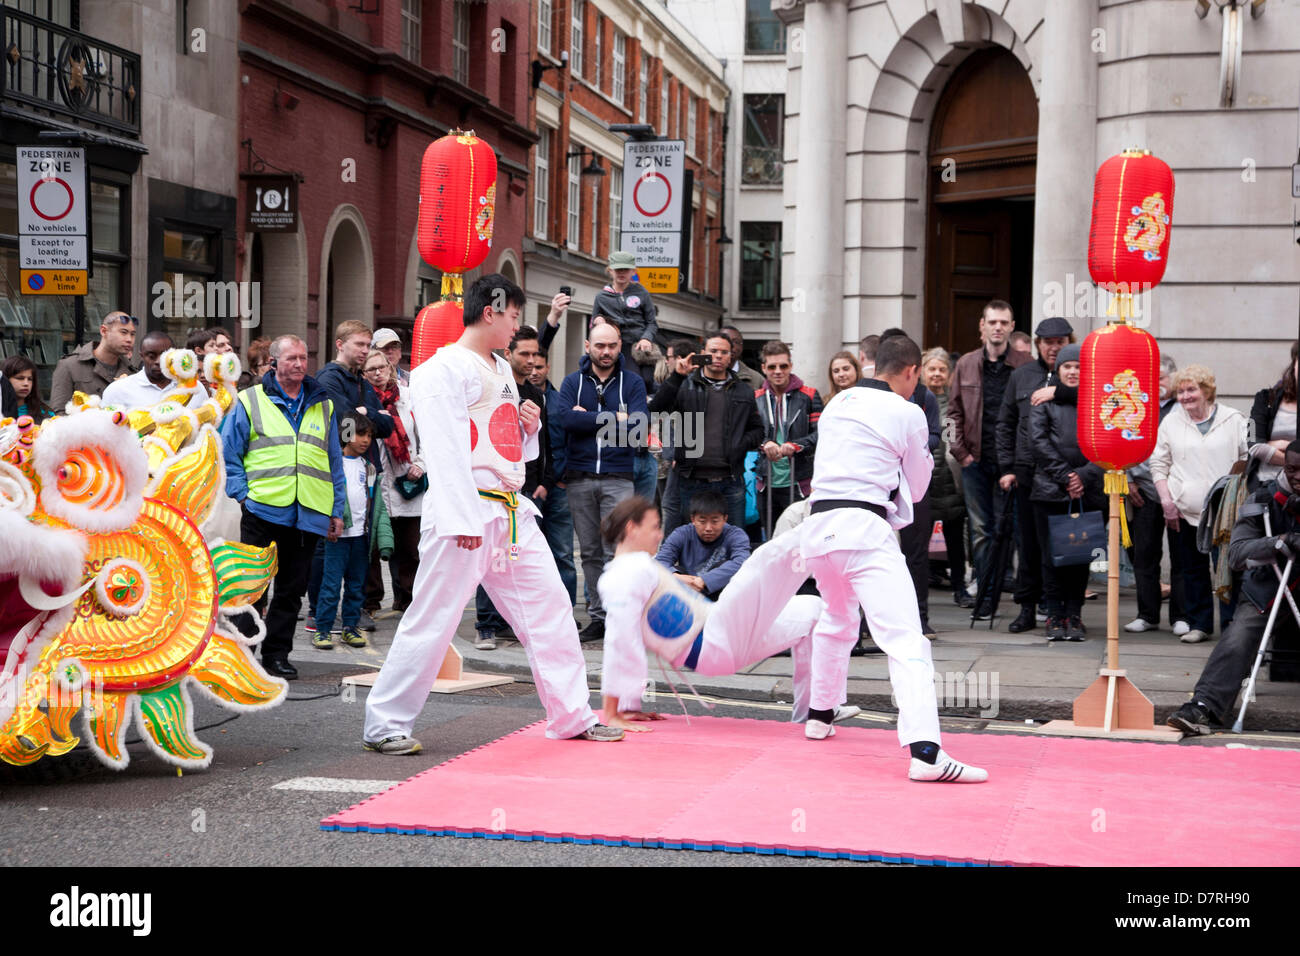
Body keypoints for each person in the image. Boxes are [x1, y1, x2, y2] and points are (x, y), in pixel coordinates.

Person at [361, 274, 624, 753]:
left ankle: (571, 714)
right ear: (490, 312)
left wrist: (529, 428)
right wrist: (462, 519)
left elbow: (506, 449)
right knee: (433, 618)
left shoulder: (500, 368)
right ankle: (385, 724)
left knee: (552, 610)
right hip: (464, 511)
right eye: (514, 316)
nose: (518, 327)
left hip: (509, 512)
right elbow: (442, 447)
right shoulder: (442, 370)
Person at [797, 333, 987, 781]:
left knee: (837, 619)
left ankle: (820, 715)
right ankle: (926, 753)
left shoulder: (839, 403)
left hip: (819, 529)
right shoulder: (909, 412)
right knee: (906, 640)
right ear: (911, 372)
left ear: (870, 365)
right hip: (864, 529)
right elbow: (919, 488)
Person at [597, 496, 859, 733]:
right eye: (654, 527)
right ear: (632, 528)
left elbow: (628, 640)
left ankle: (817, 712)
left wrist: (630, 706)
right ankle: (834, 514)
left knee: (814, 611)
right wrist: (613, 711)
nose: (659, 534)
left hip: (722, 639)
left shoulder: (636, 567)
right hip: (714, 638)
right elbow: (621, 640)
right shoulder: (625, 573)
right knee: (763, 564)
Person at [221, 334, 346, 680]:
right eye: (292, 358)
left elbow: (333, 460)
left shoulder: (323, 403)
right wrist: (242, 494)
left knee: (292, 590)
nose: (300, 364)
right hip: (262, 509)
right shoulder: (250, 400)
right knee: (251, 587)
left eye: (304, 358)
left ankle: (276, 655)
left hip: (308, 511)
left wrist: (337, 510)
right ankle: (243, 653)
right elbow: (229, 452)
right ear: (274, 362)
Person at [1167, 443, 1300, 735]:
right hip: (1270, 586)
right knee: (1239, 636)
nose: (1298, 476)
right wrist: (1280, 541)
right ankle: (1203, 708)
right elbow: (1237, 554)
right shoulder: (1263, 498)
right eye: (1292, 469)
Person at [558, 321, 649, 642]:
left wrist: (589, 418)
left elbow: (639, 426)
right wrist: (613, 418)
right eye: (599, 346)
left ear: (619, 345)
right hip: (580, 478)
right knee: (591, 553)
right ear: (588, 346)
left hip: (618, 477)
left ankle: (620, 617)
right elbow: (566, 419)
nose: (605, 352)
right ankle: (598, 617)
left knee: (619, 552)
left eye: (611, 346)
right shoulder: (572, 382)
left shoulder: (633, 383)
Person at [1151, 363, 1249, 644]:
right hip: (1184, 510)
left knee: (1227, 570)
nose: (1184, 396)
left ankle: (1232, 626)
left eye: (1191, 389)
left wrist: (1238, 496)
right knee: (1191, 570)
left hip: (1224, 514)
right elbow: (1158, 463)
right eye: (1180, 391)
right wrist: (1166, 501)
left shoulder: (1234, 419)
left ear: (1206, 391)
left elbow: (1248, 458)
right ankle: (1199, 623)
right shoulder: (1171, 420)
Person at [946, 300, 1032, 618]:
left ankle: (1026, 601)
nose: (997, 327)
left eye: (1003, 322)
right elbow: (952, 413)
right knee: (981, 531)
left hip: (1012, 464)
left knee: (1012, 530)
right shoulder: (966, 364)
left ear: (1011, 327)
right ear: (982, 326)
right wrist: (962, 454)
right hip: (976, 462)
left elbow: (1032, 415)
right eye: (992, 322)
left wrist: (1023, 459)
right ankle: (985, 596)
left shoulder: (1026, 364)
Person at [475, 325, 554, 650]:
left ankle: (515, 622)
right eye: (525, 353)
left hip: (521, 490)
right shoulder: (492, 386)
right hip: (487, 489)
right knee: (487, 558)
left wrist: (537, 483)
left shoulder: (536, 393)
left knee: (514, 558)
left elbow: (535, 442)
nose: (532, 361)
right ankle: (486, 625)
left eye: (536, 354)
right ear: (509, 354)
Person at [314, 319, 395, 629]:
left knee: (361, 546)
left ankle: (354, 611)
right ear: (340, 345)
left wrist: (365, 413)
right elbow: (345, 424)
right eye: (359, 345)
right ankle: (321, 615)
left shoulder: (360, 382)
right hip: (336, 472)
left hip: (365, 471)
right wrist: (366, 415)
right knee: (331, 552)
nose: (365, 351)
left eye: (367, 345)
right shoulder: (328, 378)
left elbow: (386, 427)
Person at [996, 316, 1074, 633]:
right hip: (1028, 471)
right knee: (1028, 545)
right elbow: (1005, 423)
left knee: (1066, 546)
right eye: (1047, 342)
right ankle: (1027, 608)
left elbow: (1094, 405)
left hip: (1068, 475)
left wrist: (1059, 393)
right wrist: (1007, 468)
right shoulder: (1022, 375)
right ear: (1038, 345)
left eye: (1060, 342)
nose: (1053, 348)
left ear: (1069, 343)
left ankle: (1061, 609)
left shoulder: (1078, 375)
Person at [650, 333, 764, 532]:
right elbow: (657, 410)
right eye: (713, 351)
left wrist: (739, 444)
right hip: (691, 479)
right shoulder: (685, 385)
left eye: (724, 352)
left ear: (731, 356)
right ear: (703, 354)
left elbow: (757, 429)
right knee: (689, 540)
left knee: (733, 541)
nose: (718, 356)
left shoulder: (743, 391)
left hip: (730, 480)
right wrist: (677, 377)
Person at [1028, 344, 1102, 641]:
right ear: (1057, 370)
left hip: (1088, 491)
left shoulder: (1097, 402)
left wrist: (1083, 476)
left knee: (1080, 557)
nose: (1072, 372)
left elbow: (1105, 442)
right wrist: (1066, 476)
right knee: (1051, 558)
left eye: (1078, 366)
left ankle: (1075, 614)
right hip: (1050, 491)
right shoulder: (1043, 401)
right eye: (1067, 367)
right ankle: (1054, 615)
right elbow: (1038, 442)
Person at [1124, 352, 1185, 633]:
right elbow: (1121, 441)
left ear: (1172, 377)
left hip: (1178, 491)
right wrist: (1128, 479)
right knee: (1144, 554)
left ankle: (1181, 617)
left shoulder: (1184, 405)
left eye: (1160, 377)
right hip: (1143, 490)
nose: (1155, 383)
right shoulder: (1136, 402)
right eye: (1150, 378)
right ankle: (1147, 615)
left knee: (1181, 555)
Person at [313, 413, 377, 650]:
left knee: (356, 585)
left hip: (360, 536)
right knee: (330, 585)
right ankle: (323, 629)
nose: (366, 440)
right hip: (336, 537)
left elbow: (374, 503)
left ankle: (350, 627)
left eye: (369, 435)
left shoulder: (368, 467)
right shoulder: (332, 463)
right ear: (347, 434)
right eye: (361, 434)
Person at [368, 348, 423, 621]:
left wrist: (421, 464)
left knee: (410, 547)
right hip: (374, 483)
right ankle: (370, 602)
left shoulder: (409, 398)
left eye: (382, 367)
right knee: (371, 549)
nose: (378, 373)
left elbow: (427, 436)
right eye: (371, 369)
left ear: (390, 369)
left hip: (408, 482)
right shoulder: (361, 401)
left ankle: (408, 599)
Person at [755, 340, 822, 534]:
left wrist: (796, 445)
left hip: (799, 481)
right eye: (772, 367)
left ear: (791, 366)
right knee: (771, 540)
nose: (778, 371)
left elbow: (820, 433)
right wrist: (764, 443)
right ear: (763, 368)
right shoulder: (756, 397)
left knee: (800, 539)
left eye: (783, 366)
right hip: (767, 482)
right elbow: (749, 433)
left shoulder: (809, 395)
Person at [921, 347, 970, 607]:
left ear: (949, 375)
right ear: (923, 372)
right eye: (932, 369)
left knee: (955, 541)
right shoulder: (915, 401)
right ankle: (918, 595)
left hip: (950, 481)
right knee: (919, 543)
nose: (937, 374)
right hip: (925, 482)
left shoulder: (954, 402)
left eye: (941, 369)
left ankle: (960, 588)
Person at [529, 346, 578, 606]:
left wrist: (558, 480)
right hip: (528, 488)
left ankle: (565, 610)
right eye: (531, 367)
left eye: (540, 367)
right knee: (527, 556)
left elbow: (570, 446)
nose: (535, 372)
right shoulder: (518, 397)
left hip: (558, 488)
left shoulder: (561, 402)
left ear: (548, 368)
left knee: (562, 554)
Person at [654, 490, 752, 599]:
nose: (708, 528)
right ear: (693, 519)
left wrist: (705, 580)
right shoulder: (681, 534)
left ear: (725, 519)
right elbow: (659, 563)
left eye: (715, 521)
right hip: (687, 594)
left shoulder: (735, 535)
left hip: (724, 596)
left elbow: (742, 561)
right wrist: (676, 576)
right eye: (702, 521)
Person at [590, 250, 661, 390]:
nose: (622, 273)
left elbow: (652, 322)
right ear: (610, 271)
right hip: (617, 345)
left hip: (640, 345)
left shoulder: (642, 292)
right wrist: (598, 321)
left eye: (626, 269)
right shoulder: (602, 297)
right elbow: (593, 325)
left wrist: (646, 338)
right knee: (633, 380)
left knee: (648, 380)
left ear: (633, 271)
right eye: (618, 270)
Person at [50, 311, 137, 410]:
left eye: (133, 334)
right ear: (104, 331)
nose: (129, 339)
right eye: (123, 332)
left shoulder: (132, 373)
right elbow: (58, 414)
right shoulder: (70, 366)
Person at [1246, 341, 1298, 490]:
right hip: (1265, 489)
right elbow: (1253, 443)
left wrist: (1276, 445)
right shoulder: (1264, 399)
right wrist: (1293, 456)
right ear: (1294, 363)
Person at [101, 331, 185, 408]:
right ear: (142, 356)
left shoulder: (193, 389)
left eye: (164, 356)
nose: (158, 361)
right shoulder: (117, 390)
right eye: (151, 356)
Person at [2, 355, 53, 422]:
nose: (26, 383)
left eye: (30, 379)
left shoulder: (45, 413)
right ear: (5, 379)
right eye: (20, 378)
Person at [720, 325, 764, 391]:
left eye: (736, 342)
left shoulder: (757, 379)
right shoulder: (703, 375)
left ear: (741, 347)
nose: (731, 346)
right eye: (727, 341)